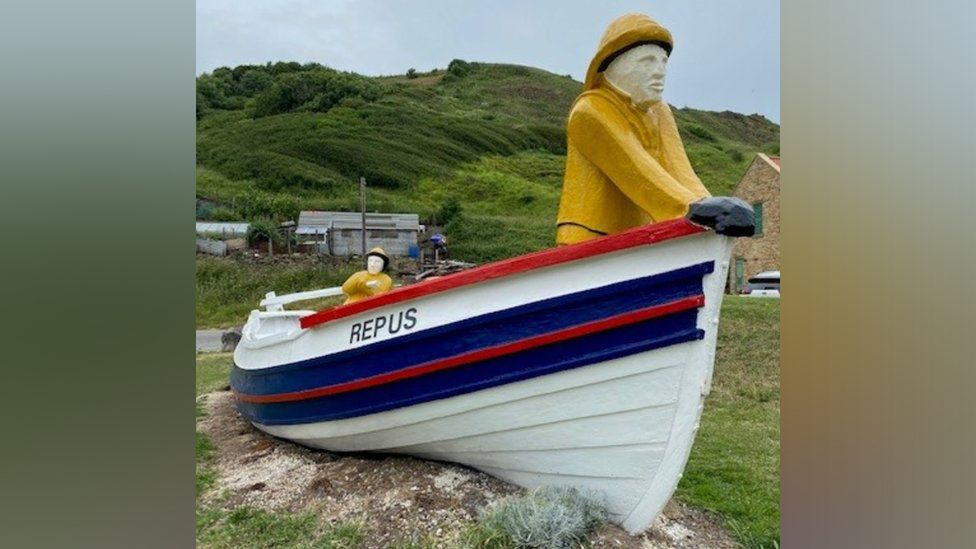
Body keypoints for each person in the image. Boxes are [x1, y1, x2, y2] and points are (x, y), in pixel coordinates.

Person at [556, 13, 754, 245]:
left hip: (638, 237)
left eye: (663, 61)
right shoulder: (589, 111)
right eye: (647, 61)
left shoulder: (660, 111)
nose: (659, 71)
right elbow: (637, 170)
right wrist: (692, 210)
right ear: (611, 65)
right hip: (588, 237)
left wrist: (708, 204)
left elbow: (679, 169)